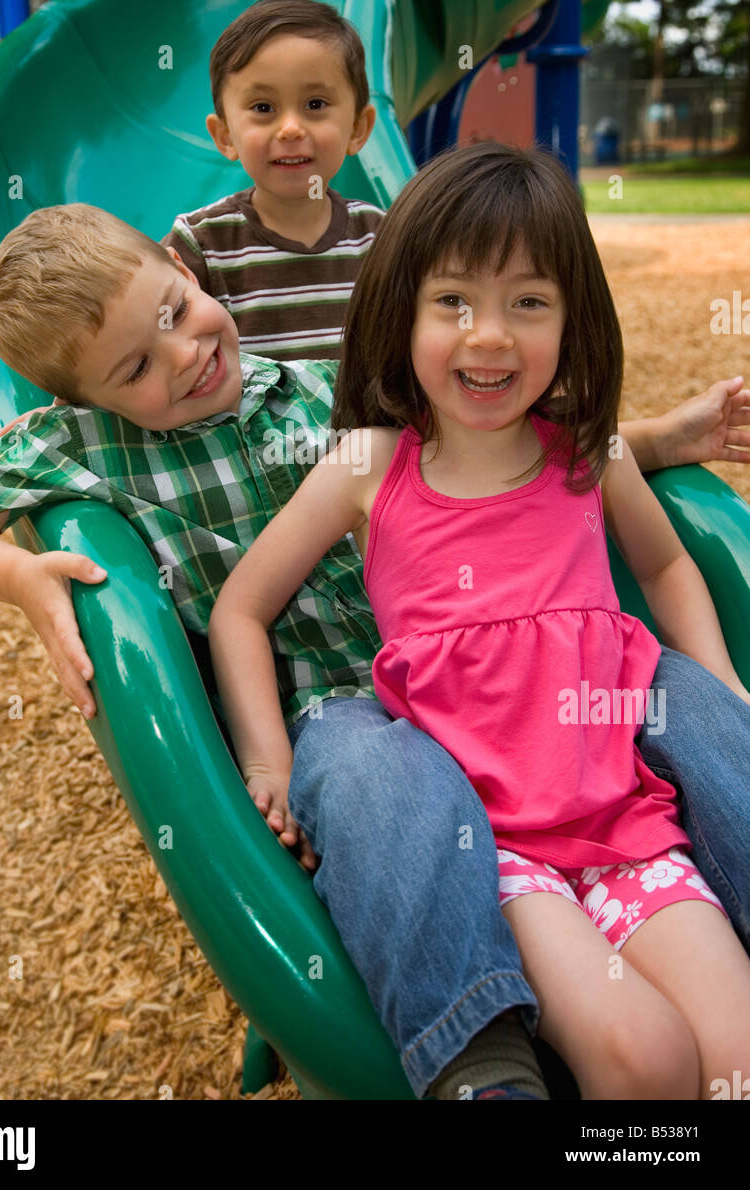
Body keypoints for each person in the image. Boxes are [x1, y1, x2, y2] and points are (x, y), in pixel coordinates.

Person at [0, 205, 750, 1102]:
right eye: (137, 368)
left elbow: (497, 439)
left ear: (186, 274)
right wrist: (24, 576)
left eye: (174, 313)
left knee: (682, 695)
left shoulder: (318, 391)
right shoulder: (84, 446)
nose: (184, 355)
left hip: (471, 684)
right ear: (86, 398)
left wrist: (655, 440)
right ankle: (478, 1055)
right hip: (333, 708)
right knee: (390, 779)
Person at [207, 142, 750, 1100]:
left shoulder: (586, 447)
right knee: (646, 1058)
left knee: (736, 1054)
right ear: (400, 310)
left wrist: (720, 687)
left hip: (626, 819)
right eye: (453, 301)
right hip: (488, 847)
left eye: (528, 302)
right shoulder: (372, 464)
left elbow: (666, 564)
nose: (489, 336)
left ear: (573, 318)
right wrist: (266, 760)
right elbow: (242, 608)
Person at [159, 0, 380, 362]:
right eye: (263, 108)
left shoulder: (380, 238)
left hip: (359, 422)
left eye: (315, 104)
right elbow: (138, 324)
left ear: (358, 128)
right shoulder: (201, 244)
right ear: (225, 136)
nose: (291, 128)